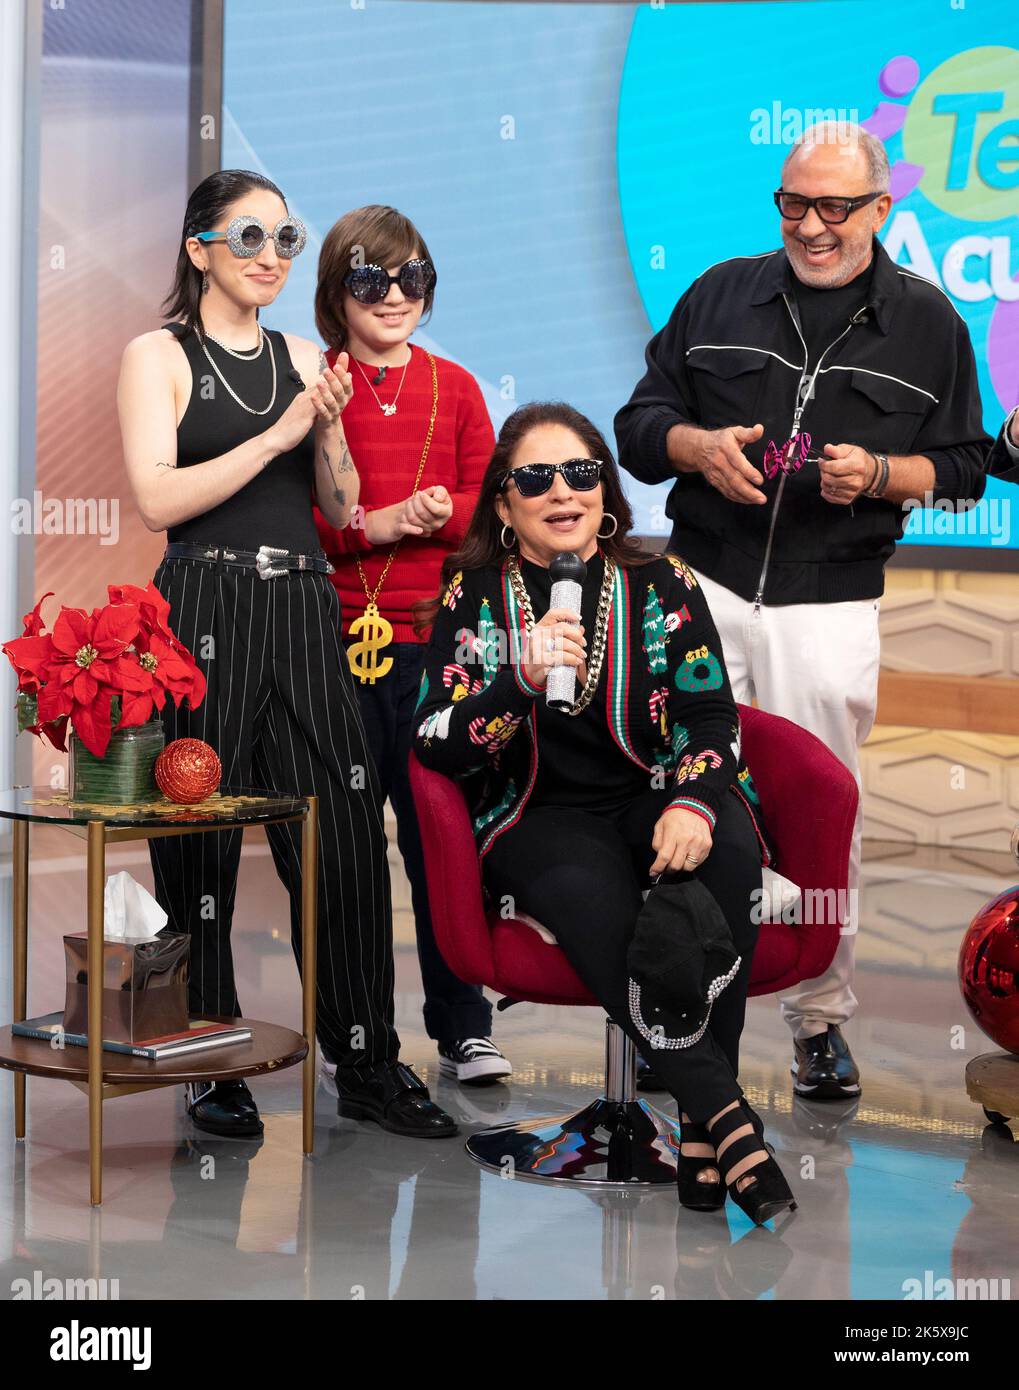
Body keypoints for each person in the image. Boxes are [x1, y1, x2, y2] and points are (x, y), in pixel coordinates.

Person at [615, 122, 991, 1101]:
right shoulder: (717, 292)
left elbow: (962, 467)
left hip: (828, 605)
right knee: (678, 795)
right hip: (696, 586)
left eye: (833, 207)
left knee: (821, 816)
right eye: (793, 205)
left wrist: (877, 474)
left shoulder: (928, 324)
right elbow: (636, 426)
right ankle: (673, 1009)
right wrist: (694, 447)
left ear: (879, 209)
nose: (811, 227)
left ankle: (819, 1019)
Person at [117, 169, 456, 1140]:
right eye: (249, 236)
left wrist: (330, 424)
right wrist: (284, 429)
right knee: (199, 830)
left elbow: (342, 509)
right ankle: (205, 1052)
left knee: (345, 832)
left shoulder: (304, 354)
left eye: (285, 239)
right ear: (199, 249)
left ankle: (367, 1060)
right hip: (207, 595)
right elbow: (158, 501)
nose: (270, 255)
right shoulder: (159, 354)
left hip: (306, 600)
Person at [412, 400, 796, 1224]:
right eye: (536, 478)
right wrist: (518, 675)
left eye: (581, 473)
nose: (563, 492)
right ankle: (725, 1121)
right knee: (597, 902)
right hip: (536, 816)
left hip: (654, 792)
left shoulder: (661, 583)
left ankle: (699, 1131)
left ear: (605, 490)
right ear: (504, 504)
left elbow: (710, 718)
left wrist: (692, 801)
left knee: (726, 848)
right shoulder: (472, 595)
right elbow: (435, 737)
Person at [312, 204, 510, 1086]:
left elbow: (492, 507)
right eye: (369, 280)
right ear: (334, 294)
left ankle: (463, 1025)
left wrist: (443, 517)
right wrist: (376, 525)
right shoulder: (315, 383)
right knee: (344, 847)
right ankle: (355, 1033)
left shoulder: (458, 388)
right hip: (330, 642)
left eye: (411, 278)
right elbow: (295, 520)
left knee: (438, 837)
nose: (393, 295)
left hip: (437, 650)